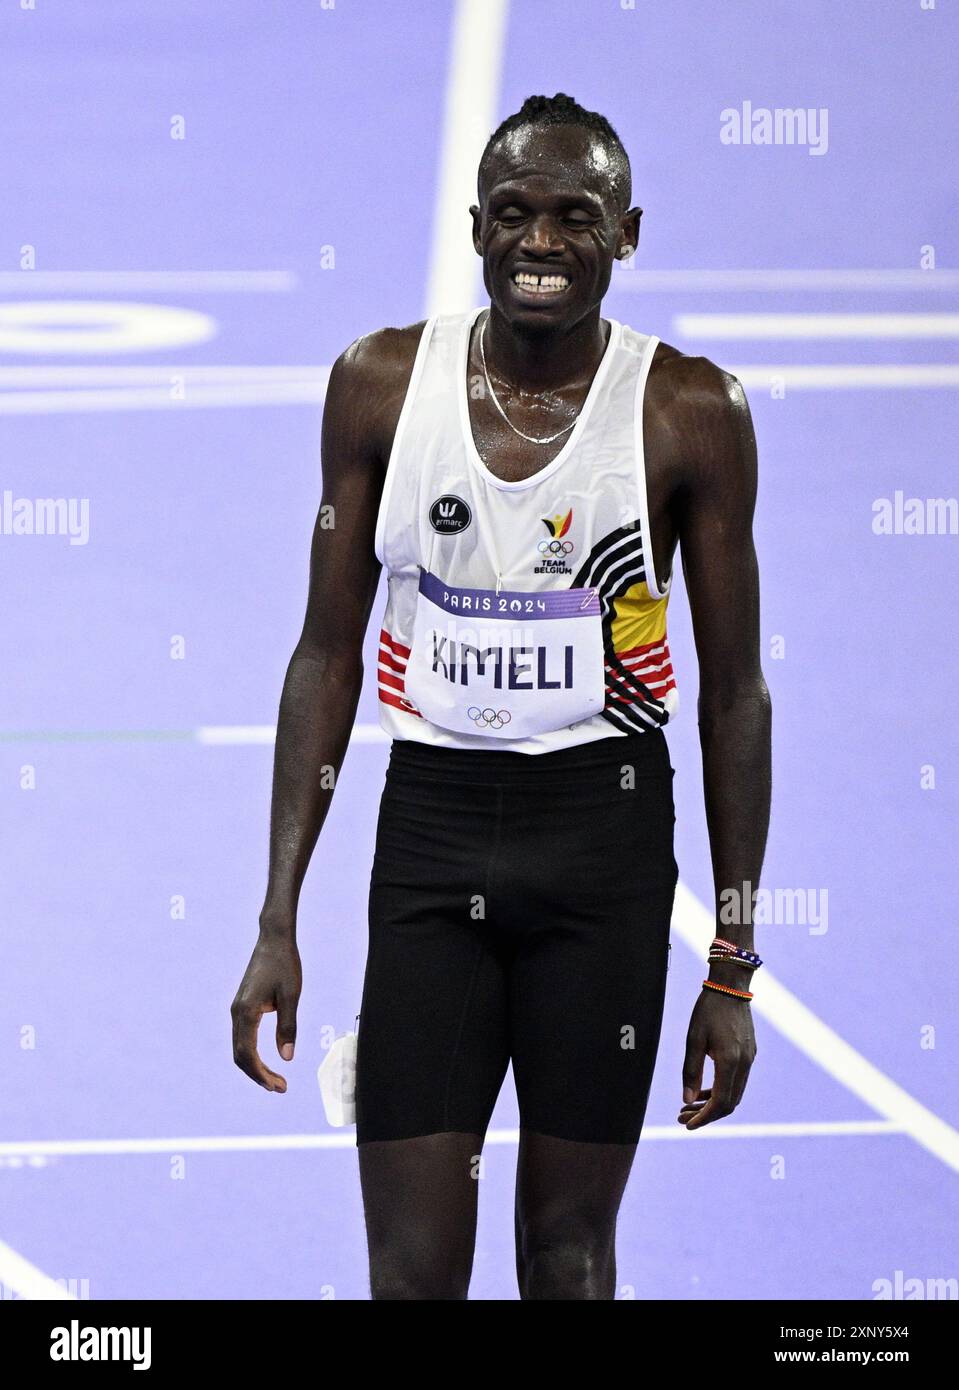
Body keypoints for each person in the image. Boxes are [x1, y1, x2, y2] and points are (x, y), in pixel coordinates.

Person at [232, 93, 771, 1301]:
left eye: (573, 218)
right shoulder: (377, 387)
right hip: (429, 841)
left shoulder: (688, 413)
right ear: (474, 226)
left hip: (606, 847)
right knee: (411, 1273)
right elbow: (324, 653)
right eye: (514, 214)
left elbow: (734, 697)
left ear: (625, 235)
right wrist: (279, 916)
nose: (540, 243)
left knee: (566, 1261)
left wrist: (730, 967)